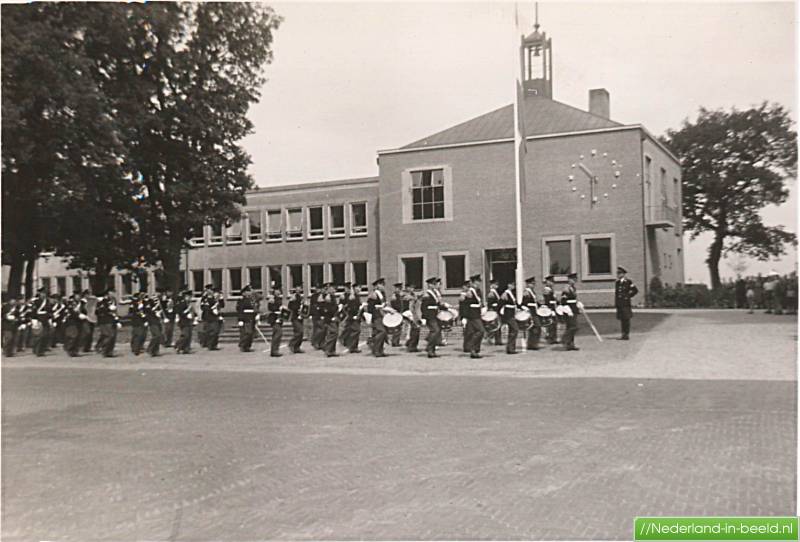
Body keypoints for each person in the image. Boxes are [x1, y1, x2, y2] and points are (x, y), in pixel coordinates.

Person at [419, 277, 445, 358]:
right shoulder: (427, 294)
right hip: (430, 315)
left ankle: (432, 349)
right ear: (429, 285)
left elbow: (437, 304)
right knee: (435, 330)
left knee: (437, 331)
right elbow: (423, 307)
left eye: (435, 284)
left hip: (435, 314)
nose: (434, 285)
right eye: (433, 284)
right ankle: (430, 349)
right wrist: (424, 317)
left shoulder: (434, 293)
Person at [464, 274, 485, 359]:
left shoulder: (478, 291)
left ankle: (474, 351)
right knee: (481, 331)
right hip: (472, 315)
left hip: (477, 313)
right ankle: (473, 348)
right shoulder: (470, 292)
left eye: (479, 282)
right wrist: (464, 317)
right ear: (472, 283)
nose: (478, 283)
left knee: (473, 332)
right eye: (476, 282)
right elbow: (465, 305)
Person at [95, 288, 121, 357]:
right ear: (108, 293)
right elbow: (98, 311)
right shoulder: (102, 301)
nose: (114, 294)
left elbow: (115, 311)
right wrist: (108, 308)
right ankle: (104, 350)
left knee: (113, 336)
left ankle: (109, 351)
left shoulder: (113, 300)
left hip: (112, 320)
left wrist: (117, 320)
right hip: (105, 320)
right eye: (113, 292)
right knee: (108, 335)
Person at [614, 266, 639, 340]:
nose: (618, 275)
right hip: (620, 303)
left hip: (626, 303)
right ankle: (623, 334)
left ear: (623, 274)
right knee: (622, 319)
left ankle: (627, 334)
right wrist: (616, 303)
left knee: (626, 319)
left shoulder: (628, 282)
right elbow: (617, 294)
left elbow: (635, 290)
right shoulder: (617, 283)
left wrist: (628, 296)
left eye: (619, 273)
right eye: (617, 273)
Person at [367, 278, 388, 357]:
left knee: (380, 333)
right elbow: (370, 307)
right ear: (377, 286)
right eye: (381, 284)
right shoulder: (374, 294)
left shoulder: (381, 294)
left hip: (381, 315)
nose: (383, 286)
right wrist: (380, 307)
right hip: (376, 316)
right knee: (382, 332)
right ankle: (376, 349)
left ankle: (379, 350)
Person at [560, 273, 580, 351]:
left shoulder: (573, 288)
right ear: (569, 280)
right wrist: (568, 310)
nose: (574, 281)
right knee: (573, 327)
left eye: (575, 280)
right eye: (573, 279)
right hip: (569, 310)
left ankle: (570, 344)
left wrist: (577, 303)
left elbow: (573, 299)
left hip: (574, 309)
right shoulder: (566, 289)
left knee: (571, 327)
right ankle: (565, 339)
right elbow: (563, 301)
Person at [342, 282, 363, 353]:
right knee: (356, 331)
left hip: (357, 316)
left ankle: (353, 346)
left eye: (360, 287)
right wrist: (353, 315)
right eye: (358, 287)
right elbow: (351, 307)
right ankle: (352, 346)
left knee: (354, 331)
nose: (360, 289)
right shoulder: (352, 296)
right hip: (353, 317)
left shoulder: (357, 296)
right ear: (354, 288)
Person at [320, 282, 340, 357]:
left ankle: (332, 350)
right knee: (333, 333)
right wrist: (331, 316)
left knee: (334, 334)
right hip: (330, 318)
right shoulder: (327, 297)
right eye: (333, 289)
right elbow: (326, 309)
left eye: (335, 289)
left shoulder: (332, 296)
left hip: (334, 317)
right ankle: (328, 349)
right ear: (329, 289)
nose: (334, 290)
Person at [201, 286, 224, 350]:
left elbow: (222, 305)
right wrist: (212, 309)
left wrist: (221, 298)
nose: (210, 291)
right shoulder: (205, 299)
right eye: (209, 290)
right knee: (209, 331)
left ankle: (213, 344)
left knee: (215, 331)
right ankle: (209, 344)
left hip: (215, 317)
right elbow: (203, 307)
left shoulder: (215, 299)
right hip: (207, 317)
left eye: (211, 290)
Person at [236, 285, 257, 352]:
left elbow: (254, 309)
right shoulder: (241, 301)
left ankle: (248, 346)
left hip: (251, 318)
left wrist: (256, 315)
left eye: (250, 291)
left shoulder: (252, 300)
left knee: (251, 333)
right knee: (247, 333)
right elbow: (240, 310)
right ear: (244, 293)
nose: (250, 293)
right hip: (245, 318)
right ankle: (243, 345)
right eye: (248, 291)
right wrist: (240, 319)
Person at [500, 282, 520, 354]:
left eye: (514, 285)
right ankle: (510, 348)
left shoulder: (511, 293)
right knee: (515, 329)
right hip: (508, 315)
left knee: (512, 331)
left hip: (512, 314)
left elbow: (515, 304)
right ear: (508, 285)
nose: (513, 286)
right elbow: (500, 303)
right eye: (512, 285)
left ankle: (510, 348)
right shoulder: (505, 294)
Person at [521, 276, 541, 351]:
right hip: (531, 312)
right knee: (536, 327)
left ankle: (533, 344)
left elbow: (534, 302)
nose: (533, 285)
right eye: (532, 284)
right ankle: (532, 344)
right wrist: (528, 312)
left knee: (535, 328)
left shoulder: (532, 292)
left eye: (534, 284)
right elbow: (524, 304)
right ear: (528, 284)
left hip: (534, 311)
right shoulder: (526, 292)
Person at [266, 284, 285, 357]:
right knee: (277, 333)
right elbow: (271, 308)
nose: (278, 292)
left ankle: (275, 350)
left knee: (278, 334)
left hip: (279, 318)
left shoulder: (279, 299)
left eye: (279, 290)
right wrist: (279, 309)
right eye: (277, 290)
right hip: (274, 318)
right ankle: (274, 351)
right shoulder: (272, 298)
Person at [287, 283, 306, 354]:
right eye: (297, 288)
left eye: (300, 288)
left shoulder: (301, 297)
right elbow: (290, 307)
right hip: (295, 317)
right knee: (299, 331)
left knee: (301, 333)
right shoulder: (293, 297)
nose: (299, 290)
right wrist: (296, 306)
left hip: (300, 317)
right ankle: (292, 344)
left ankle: (297, 347)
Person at [145, 292, 164, 357]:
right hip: (152, 321)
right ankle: (150, 349)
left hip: (158, 321)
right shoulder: (149, 303)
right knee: (156, 335)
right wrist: (155, 311)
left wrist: (159, 312)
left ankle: (155, 350)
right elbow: (148, 311)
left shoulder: (159, 303)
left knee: (159, 335)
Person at [404, 285, 421, 353]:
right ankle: (411, 346)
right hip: (409, 315)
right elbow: (409, 306)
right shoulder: (406, 296)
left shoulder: (414, 295)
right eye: (410, 287)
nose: (412, 289)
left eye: (413, 287)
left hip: (415, 314)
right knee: (413, 330)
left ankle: (412, 345)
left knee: (415, 330)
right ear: (407, 288)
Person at [485, 278, 503, 345]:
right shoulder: (491, 293)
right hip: (493, 311)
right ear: (492, 285)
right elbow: (490, 304)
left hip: (496, 310)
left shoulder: (495, 293)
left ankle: (498, 340)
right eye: (495, 284)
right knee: (493, 326)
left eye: (497, 284)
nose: (496, 286)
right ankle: (489, 339)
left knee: (497, 326)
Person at [542, 275, 559, 344]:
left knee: (554, 323)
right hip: (550, 308)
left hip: (553, 307)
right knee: (551, 323)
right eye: (551, 282)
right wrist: (550, 309)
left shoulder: (551, 289)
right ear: (547, 282)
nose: (553, 283)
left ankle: (552, 337)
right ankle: (551, 338)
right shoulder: (547, 289)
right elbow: (547, 300)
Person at [389, 282, 405, 347]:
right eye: (398, 288)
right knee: (396, 328)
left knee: (399, 328)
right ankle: (394, 342)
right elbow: (394, 305)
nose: (399, 290)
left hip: (399, 313)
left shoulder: (399, 296)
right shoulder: (394, 296)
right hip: (396, 313)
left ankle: (396, 341)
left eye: (400, 288)